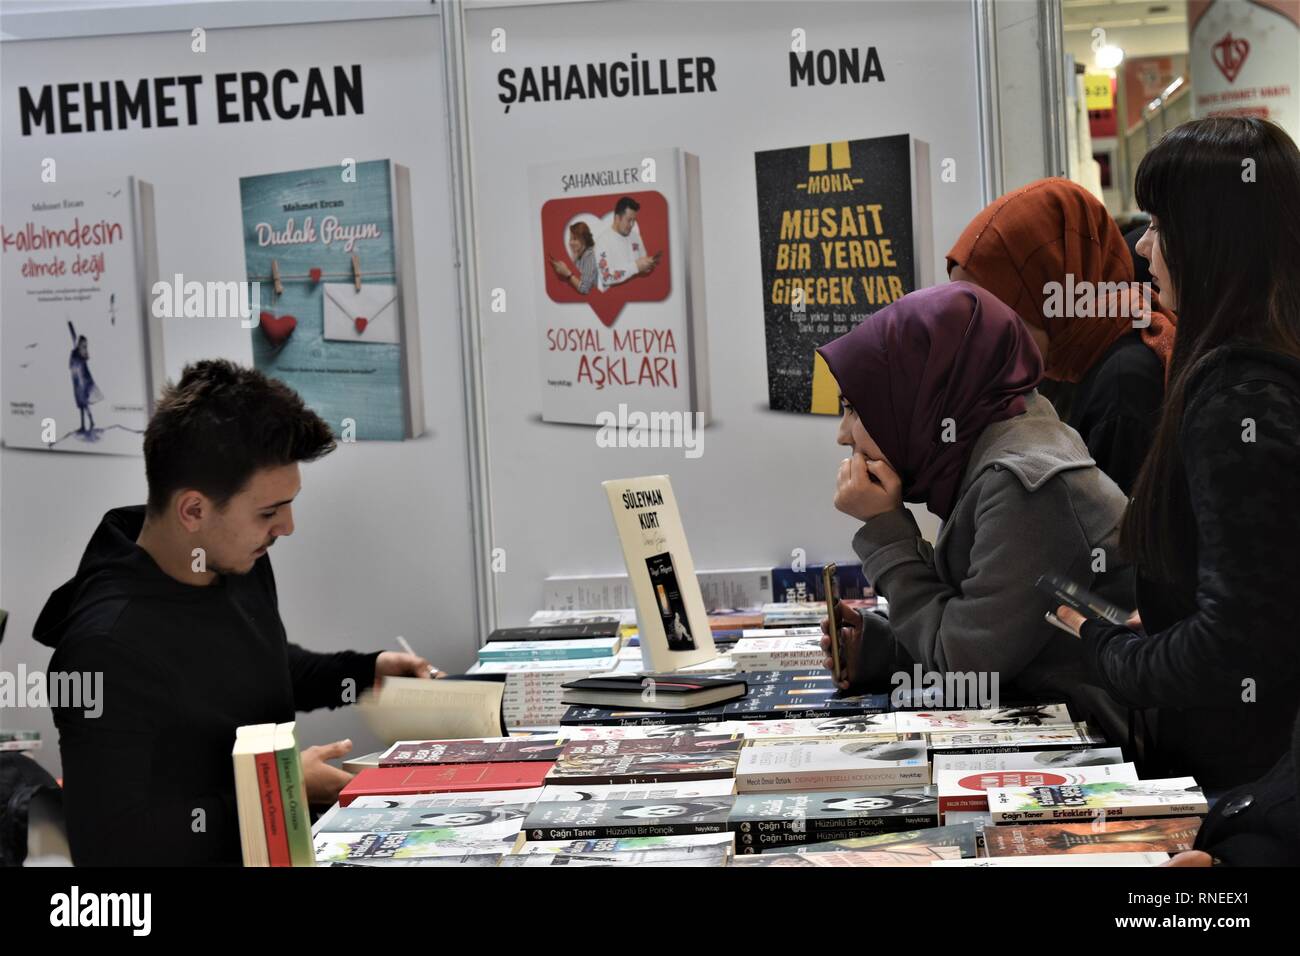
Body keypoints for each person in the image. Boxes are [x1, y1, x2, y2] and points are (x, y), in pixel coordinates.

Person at [34, 360, 437, 865]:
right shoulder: (102, 649)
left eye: (288, 504)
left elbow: (260, 664)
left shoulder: (233, 560)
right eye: (268, 512)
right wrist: (277, 794)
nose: (287, 527)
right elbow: (110, 846)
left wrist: (365, 672)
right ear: (193, 510)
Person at [1051, 117, 1300, 793]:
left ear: (1212, 239)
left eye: (1160, 224)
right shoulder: (1258, 372)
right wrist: (1162, 620)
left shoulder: (1239, 396)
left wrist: (1110, 650)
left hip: (1245, 781)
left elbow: (1234, 644)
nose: (1142, 246)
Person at [816, 282, 1131, 729]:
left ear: (921, 393)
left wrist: (886, 530)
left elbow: (967, 670)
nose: (843, 434)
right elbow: (988, 631)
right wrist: (883, 647)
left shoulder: (1026, 484)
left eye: (854, 408)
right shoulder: (997, 449)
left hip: (1090, 740)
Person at [946, 178, 1177, 493]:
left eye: (993, 309)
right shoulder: (1070, 366)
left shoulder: (1123, 384)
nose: (980, 336)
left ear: (1045, 290)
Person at [594, 196, 660, 289]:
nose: (632, 225)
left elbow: (642, 262)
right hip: (615, 296)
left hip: (638, 293)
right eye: (629, 220)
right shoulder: (602, 242)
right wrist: (636, 266)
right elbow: (606, 277)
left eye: (634, 220)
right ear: (617, 218)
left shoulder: (635, 237)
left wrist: (647, 265)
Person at [67, 320, 102, 436]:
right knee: (81, 405)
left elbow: (79, 365)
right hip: (77, 383)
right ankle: (85, 424)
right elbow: (70, 366)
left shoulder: (81, 354)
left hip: (83, 383)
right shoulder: (75, 353)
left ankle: (90, 422)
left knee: (84, 404)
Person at [549, 221, 599, 294]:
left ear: (584, 239)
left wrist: (567, 273)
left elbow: (584, 289)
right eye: (570, 239)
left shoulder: (589, 257)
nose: (571, 242)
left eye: (575, 239)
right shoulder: (579, 256)